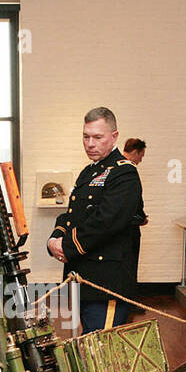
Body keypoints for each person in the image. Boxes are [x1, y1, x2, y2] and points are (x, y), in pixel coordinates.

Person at [48, 107, 145, 334]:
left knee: (103, 350)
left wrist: (68, 246)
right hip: (85, 279)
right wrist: (55, 237)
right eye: (86, 136)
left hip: (106, 283)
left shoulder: (124, 174)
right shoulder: (88, 172)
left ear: (114, 137)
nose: (90, 143)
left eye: (97, 137)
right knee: (90, 346)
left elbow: (105, 222)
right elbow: (72, 215)